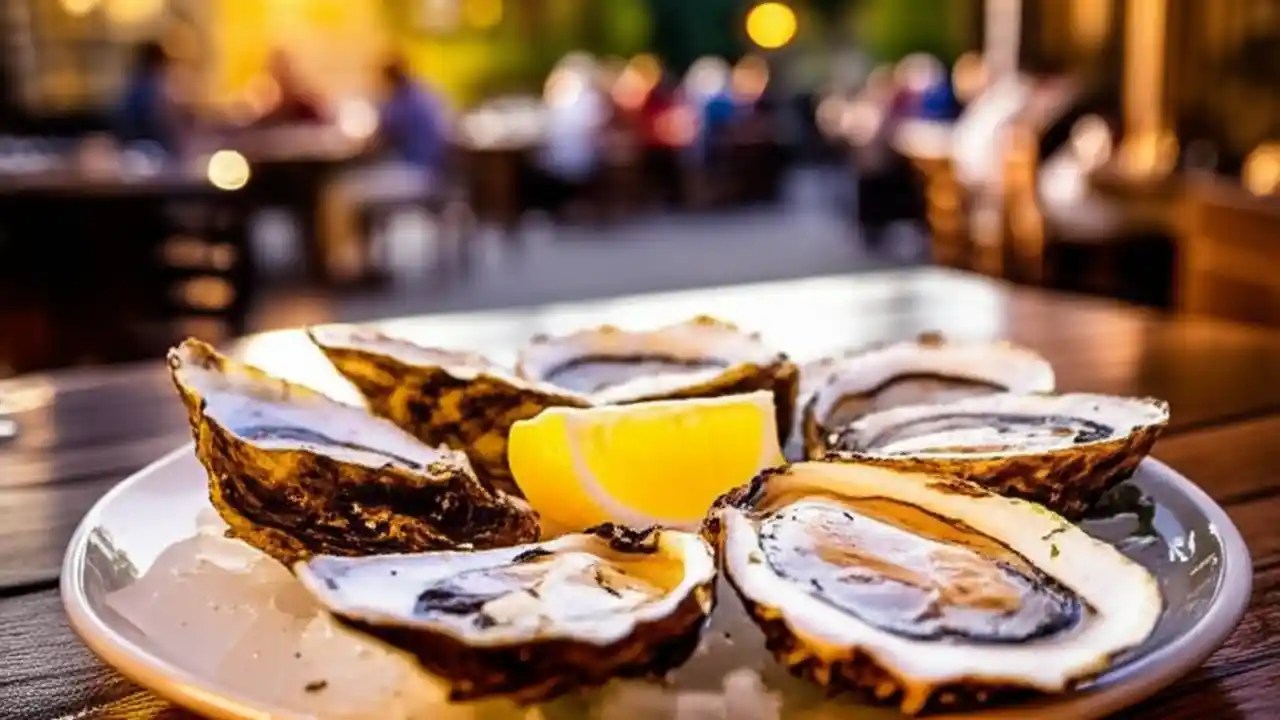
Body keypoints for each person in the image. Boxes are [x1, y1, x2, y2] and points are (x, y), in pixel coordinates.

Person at [320, 58, 451, 283]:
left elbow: (374, 140)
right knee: (353, 187)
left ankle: (347, 267)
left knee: (339, 193)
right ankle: (362, 261)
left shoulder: (401, 103)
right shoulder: (424, 95)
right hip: (430, 172)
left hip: (414, 174)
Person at [113, 42, 182, 154]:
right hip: (148, 150)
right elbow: (159, 121)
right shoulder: (150, 90)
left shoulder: (132, 87)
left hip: (132, 147)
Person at [254, 49, 328, 126]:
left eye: (284, 70)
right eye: (277, 72)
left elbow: (322, 125)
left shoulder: (307, 108)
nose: (282, 77)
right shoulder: (268, 115)